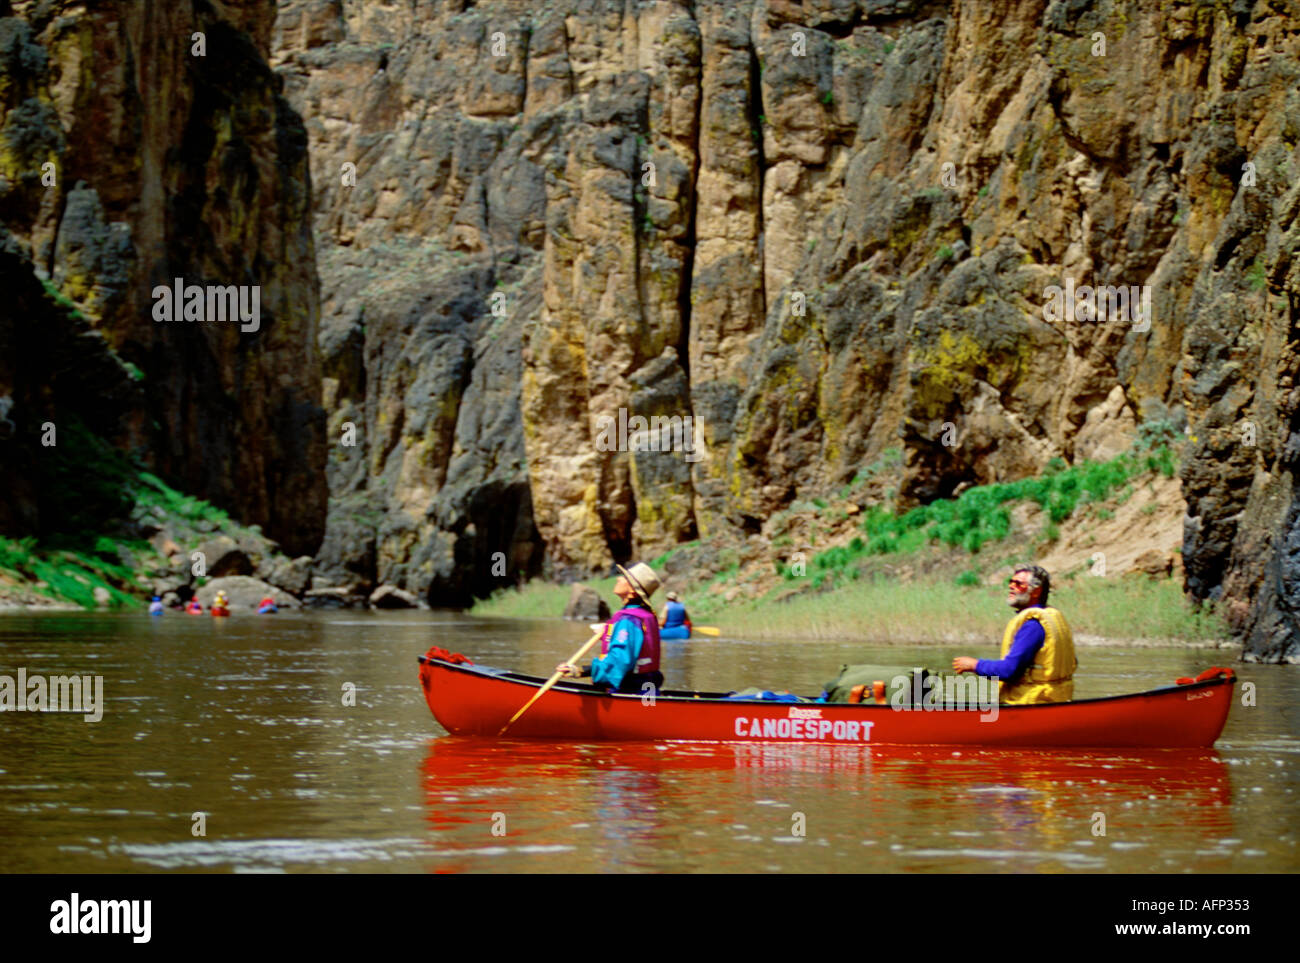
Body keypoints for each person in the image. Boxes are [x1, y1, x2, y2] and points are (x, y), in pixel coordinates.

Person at [952, 565, 1076, 704]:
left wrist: (975, 665)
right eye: (1011, 582)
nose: (1011, 586)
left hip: (1032, 703)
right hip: (1055, 699)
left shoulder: (1033, 626)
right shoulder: (1050, 618)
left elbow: (1009, 670)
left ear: (1036, 591)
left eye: (1018, 584)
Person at [557, 562, 664, 695]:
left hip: (631, 691)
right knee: (649, 704)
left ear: (632, 591)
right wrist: (609, 631)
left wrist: (580, 671)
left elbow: (618, 661)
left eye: (624, 578)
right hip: (649, 692)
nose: (618, 578)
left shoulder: (628, 620)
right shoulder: (644, 615)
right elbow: (636, 643)